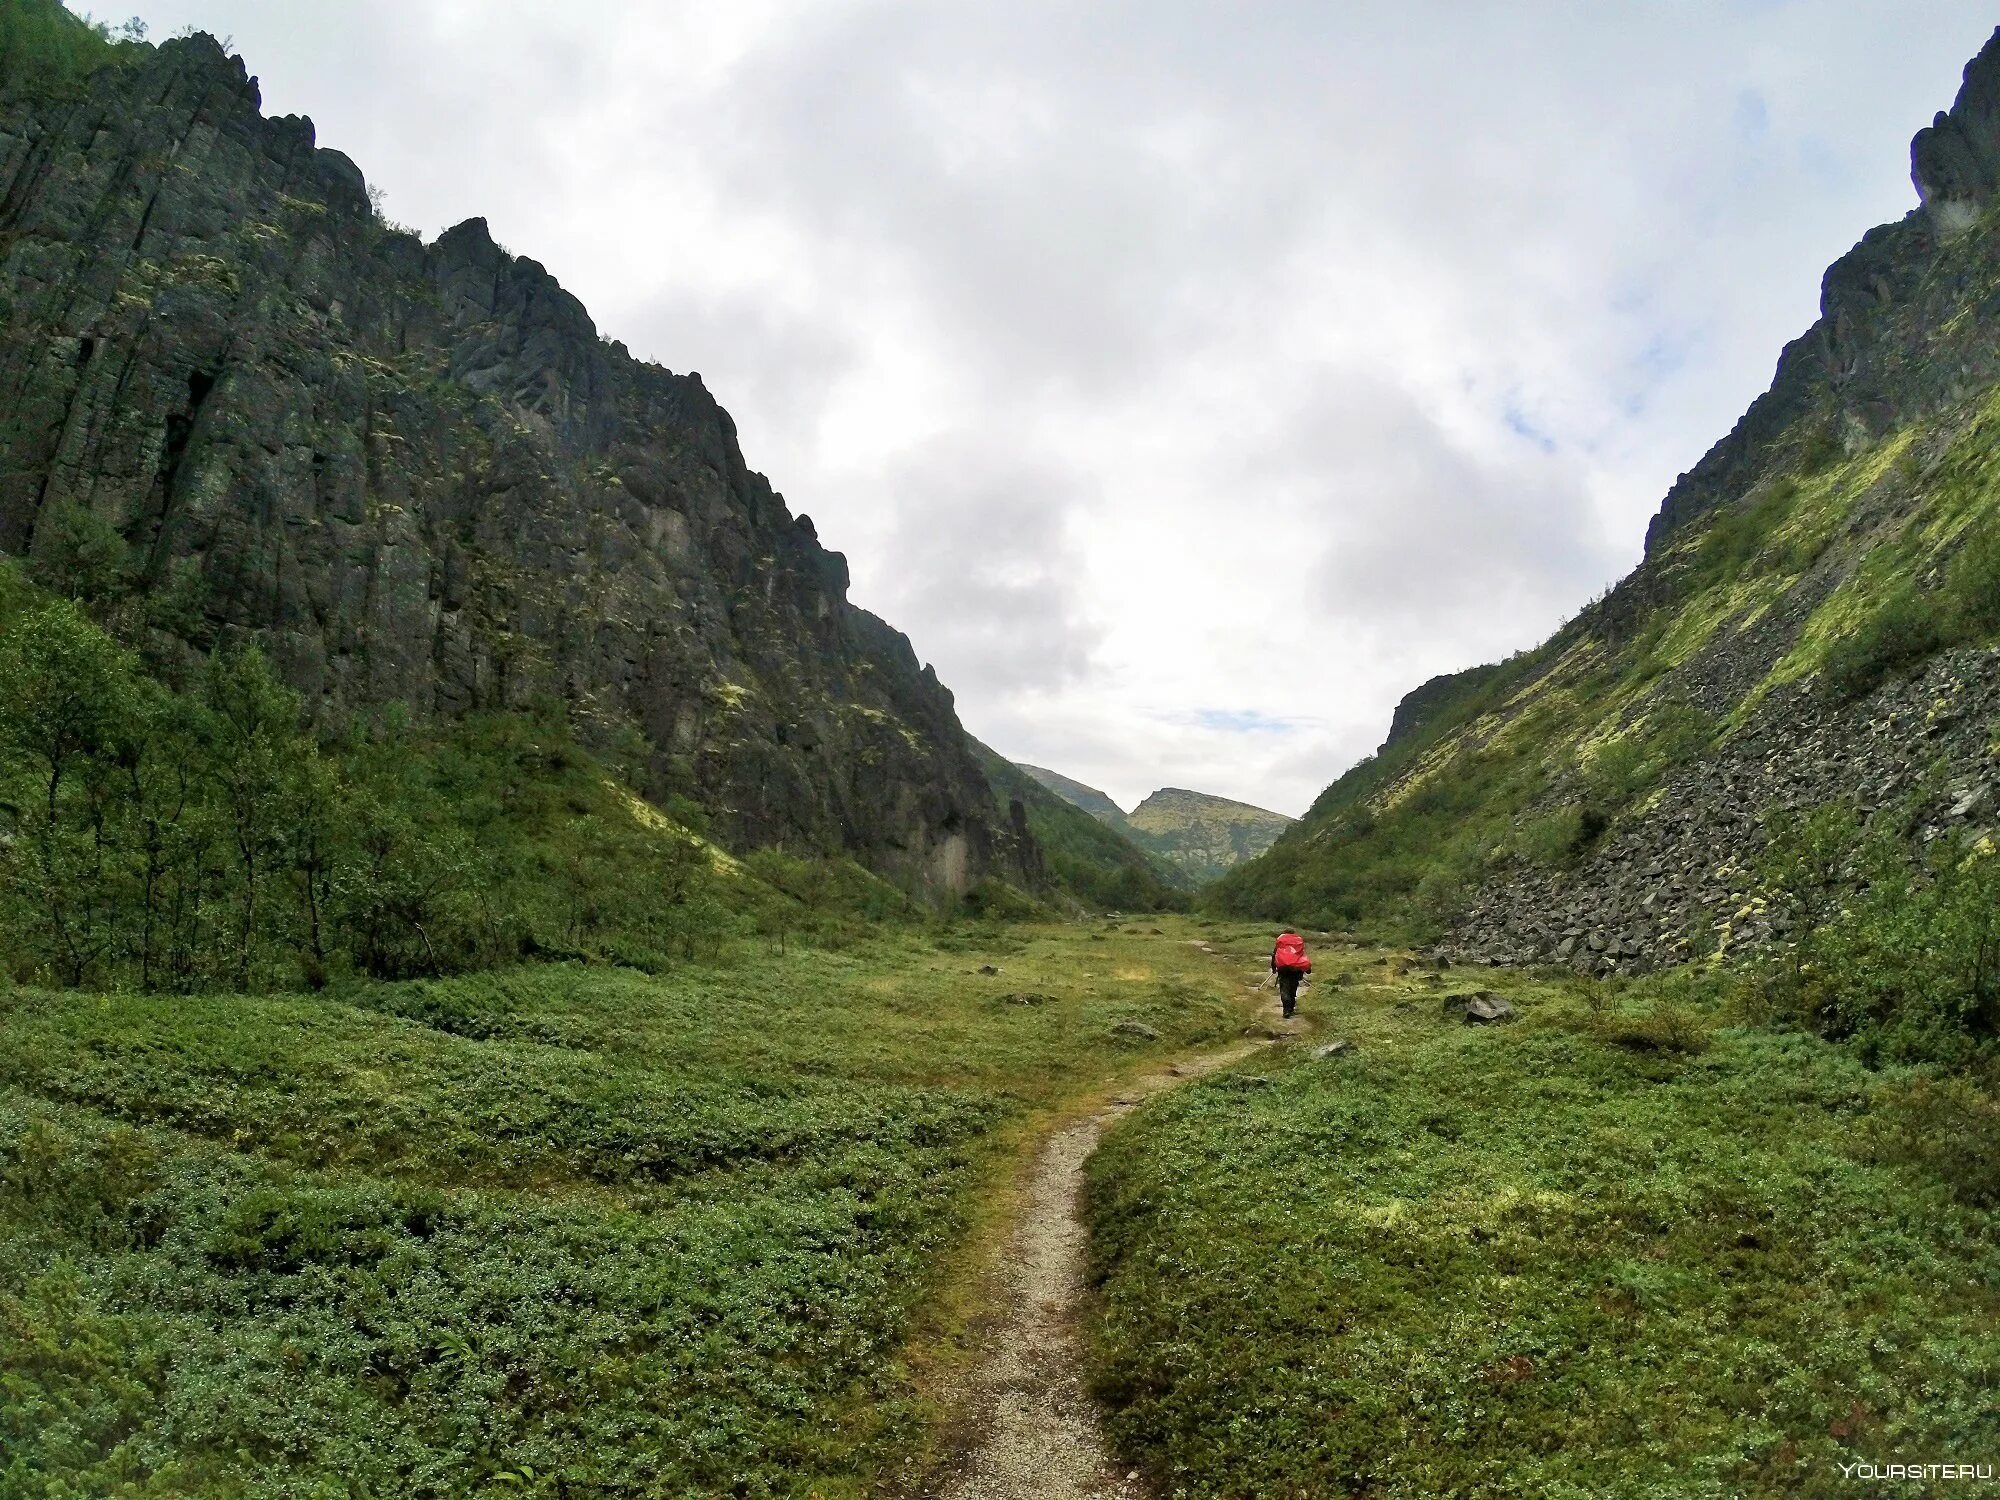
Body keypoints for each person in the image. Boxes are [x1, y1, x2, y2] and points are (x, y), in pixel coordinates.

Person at [1271, 929, 1312, 1019]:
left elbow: (1275, 954)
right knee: (1293, 988)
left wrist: (1274, 968)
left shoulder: (1281, 940)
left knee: (1284, 988)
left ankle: (1286, 1010)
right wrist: (1307, 969)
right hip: (1296, 969)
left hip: (1283, 969)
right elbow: (1302, 955)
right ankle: (1291, 1008)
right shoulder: (1298, 941)